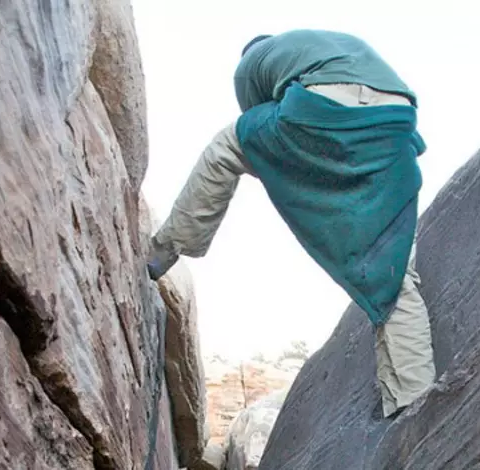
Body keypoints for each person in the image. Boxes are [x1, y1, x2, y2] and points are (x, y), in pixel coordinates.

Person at [147, 30, 436, 418]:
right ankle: (413, 400)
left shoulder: (251, 64)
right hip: (393, 122)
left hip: (326, 108)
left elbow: (264, 139)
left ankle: (166, 249)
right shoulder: (324, 42)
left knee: (227, 147)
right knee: (394, 269)